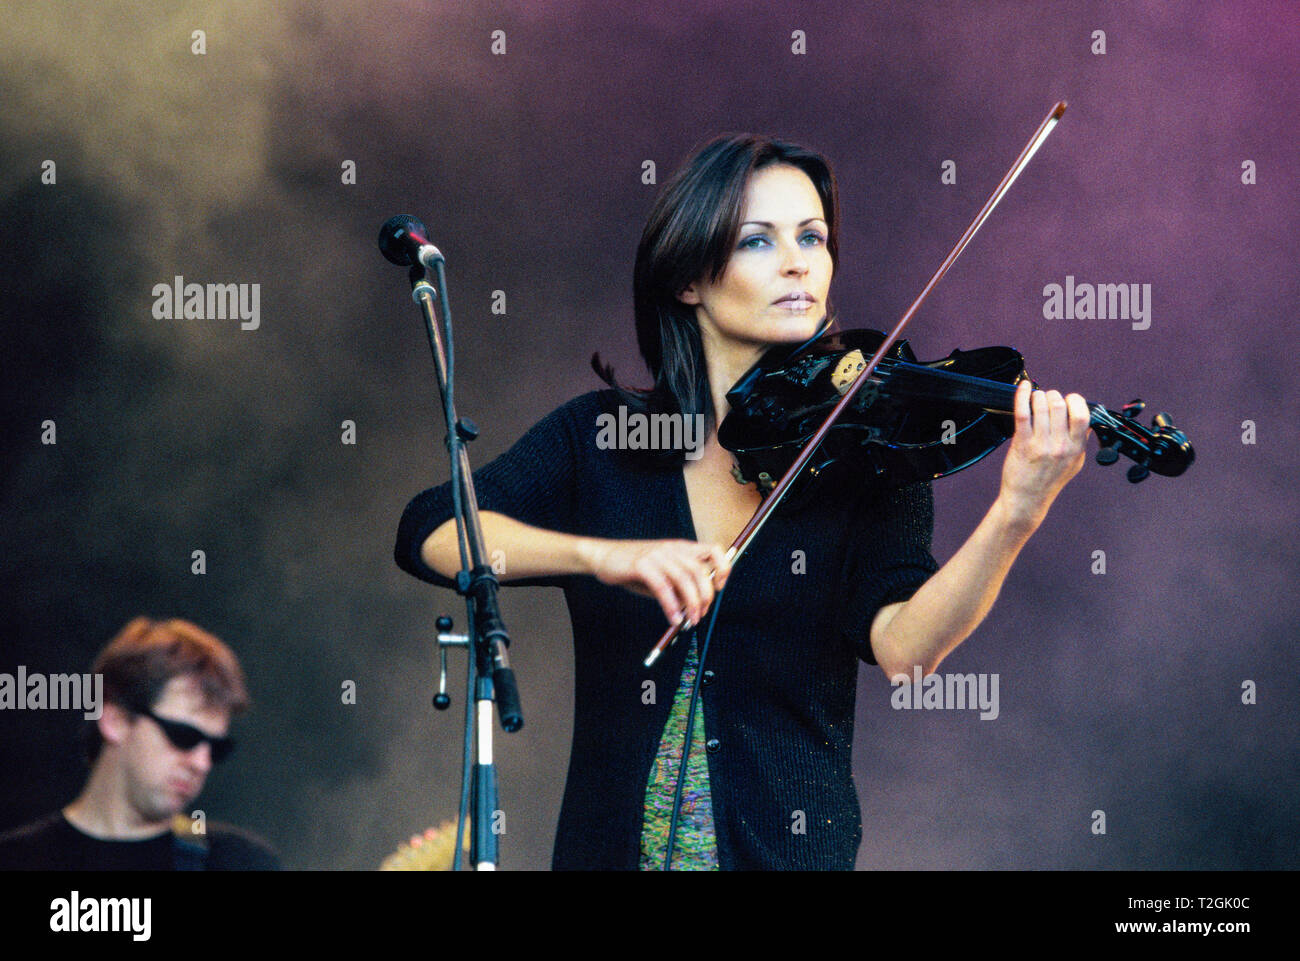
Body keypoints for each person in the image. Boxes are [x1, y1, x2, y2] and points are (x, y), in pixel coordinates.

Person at [393, 134, 1090, 870]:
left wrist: (1017, 512)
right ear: (690, 277)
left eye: (813, 237)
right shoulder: (606, 437)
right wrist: (601, 555)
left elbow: (907, 650)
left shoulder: (865, 451)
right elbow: (430, 528)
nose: (798, 261)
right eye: (758, 240)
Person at [0, 616, 281, 870]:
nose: (202, 763)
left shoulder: (240, 863)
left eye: (216, 748)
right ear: (115, 720)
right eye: (183, 736)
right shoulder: (15, 860)